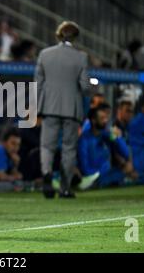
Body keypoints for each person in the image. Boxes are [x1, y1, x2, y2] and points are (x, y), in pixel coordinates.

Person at [35, 21, 90, 199]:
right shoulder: (81, 57)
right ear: (75, 37)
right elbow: (85, 86)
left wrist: (36, 108)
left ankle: (46, 174)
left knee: (47, 146)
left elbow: (38, 84)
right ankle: (65, 187)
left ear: (58, 35)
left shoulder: (45, 54)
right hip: (71, 109)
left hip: (49, 107)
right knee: (69, 148)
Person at [78, 104, 137, 190]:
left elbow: (126, 153)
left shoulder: (106, 135)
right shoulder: (84, 139)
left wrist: (117, 137)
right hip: (92, 177)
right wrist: (98, 175)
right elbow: (85, 167)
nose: (106, 121)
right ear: (94, 120)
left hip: (108, 174)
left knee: (128, 167)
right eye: (102, 118)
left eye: (106, 118)